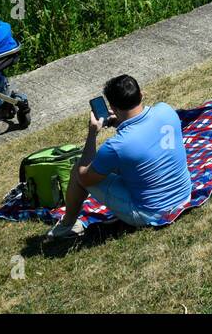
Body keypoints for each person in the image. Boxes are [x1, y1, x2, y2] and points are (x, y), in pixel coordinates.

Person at [45, 75, 193, 239]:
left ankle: (67, 225)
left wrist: (92, 133)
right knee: (118, 164)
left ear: (113, 108)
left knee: (78, 171)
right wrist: (119, 121)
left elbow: (84, 177)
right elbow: (145, 135)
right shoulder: (166, 110)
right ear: (141, 95)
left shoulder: (116, 146)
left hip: (151, 213)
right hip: (184, 195)